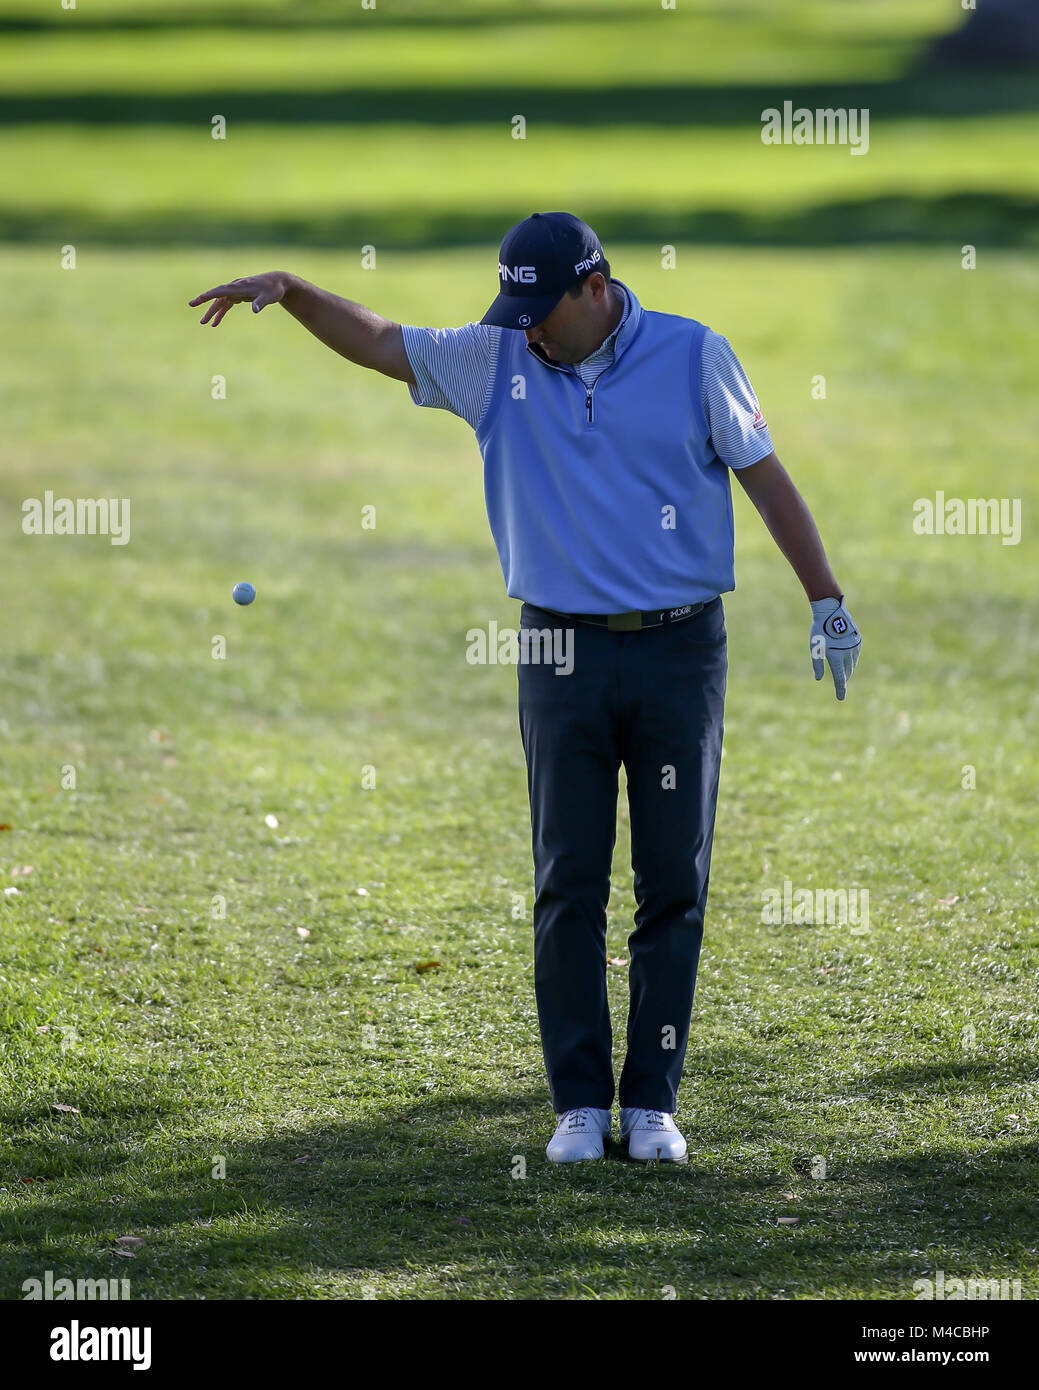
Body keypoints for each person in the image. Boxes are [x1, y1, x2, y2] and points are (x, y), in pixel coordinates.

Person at [189, 211, 861, 1165]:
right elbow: (384, 343)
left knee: (675, 880)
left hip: (680, 651)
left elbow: (764, 477)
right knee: (567, 880)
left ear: (596, 289)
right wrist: (293, 292)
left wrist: (825, 600)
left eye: (544, 308)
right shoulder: (498, 355)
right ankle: (580, 1104)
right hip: (558, 653)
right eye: (519, 310)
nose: (529, 328)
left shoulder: (694, 356)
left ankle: (654, 1103)